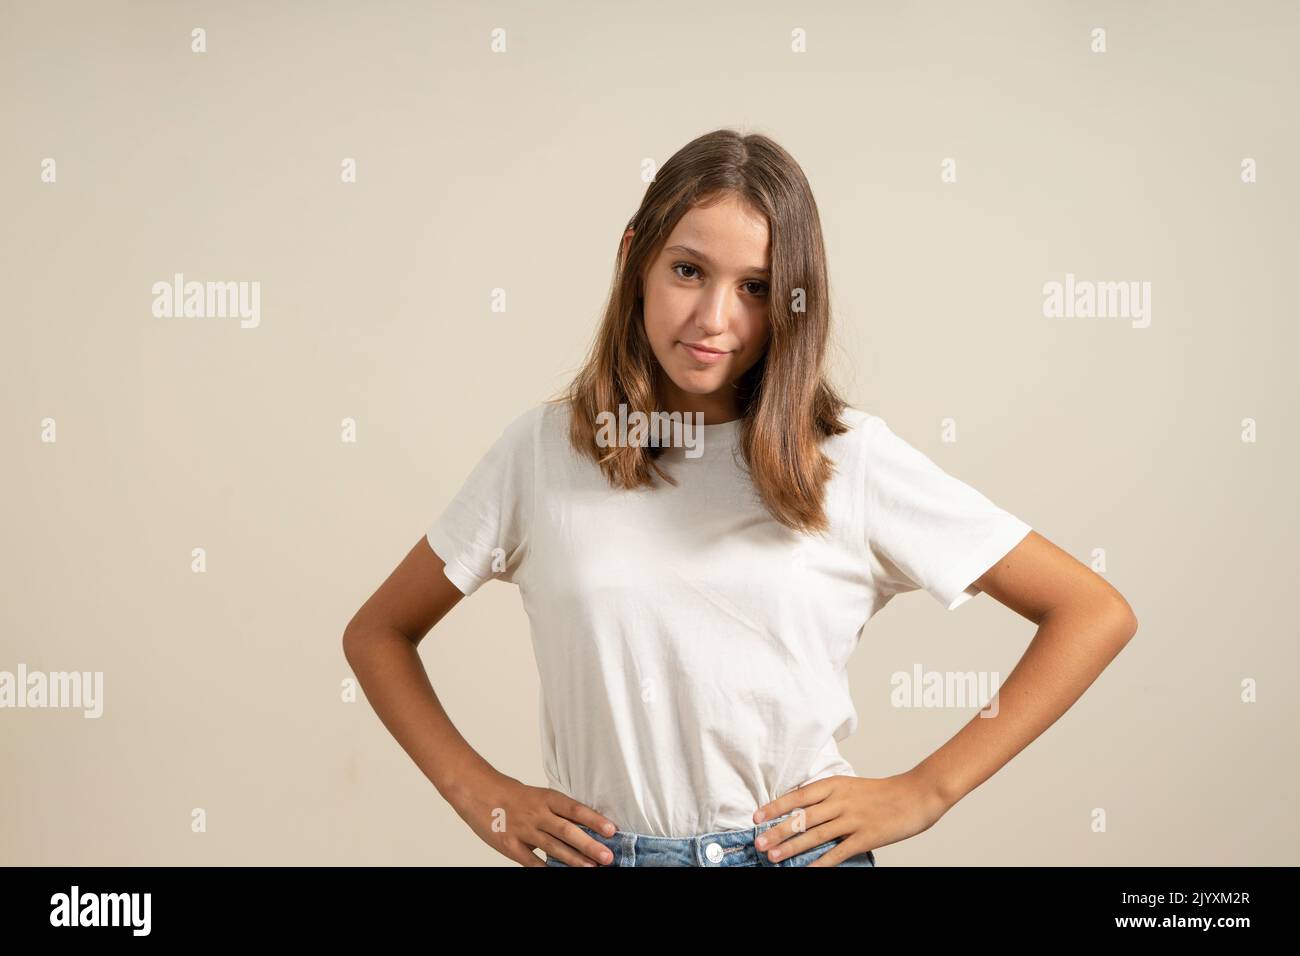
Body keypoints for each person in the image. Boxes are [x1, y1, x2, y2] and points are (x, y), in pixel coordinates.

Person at [342, 128, 1139, 868]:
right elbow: (379, 633)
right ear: (635, 260)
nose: (714, 318)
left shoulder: (846, 460)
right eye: (688, 270)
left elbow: (1092, 611)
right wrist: (477, 792)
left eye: (756, 287)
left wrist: (926, 792)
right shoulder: (544, 453)